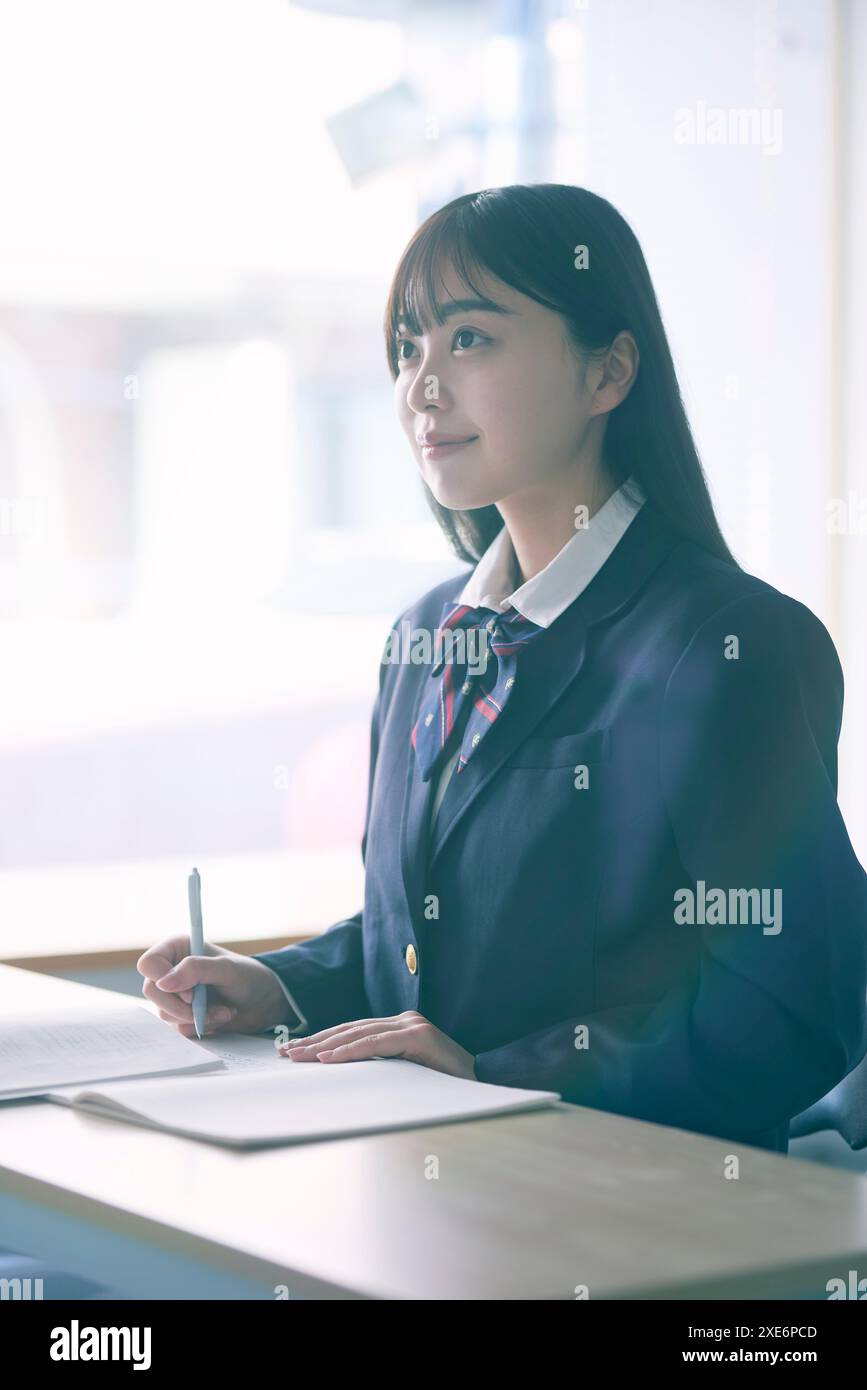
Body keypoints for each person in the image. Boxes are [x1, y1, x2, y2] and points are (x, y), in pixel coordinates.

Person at [138, 184, 867, 1153]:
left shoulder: (727, 644)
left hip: (643, 1212)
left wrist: (497, 1080)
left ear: (607, 373)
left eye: (470, 339)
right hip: (429, 1184)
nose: (422, 386)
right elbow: (424, 936)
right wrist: (283, 985)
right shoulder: (428, 633)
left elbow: (789, 1007)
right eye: (408, 346)